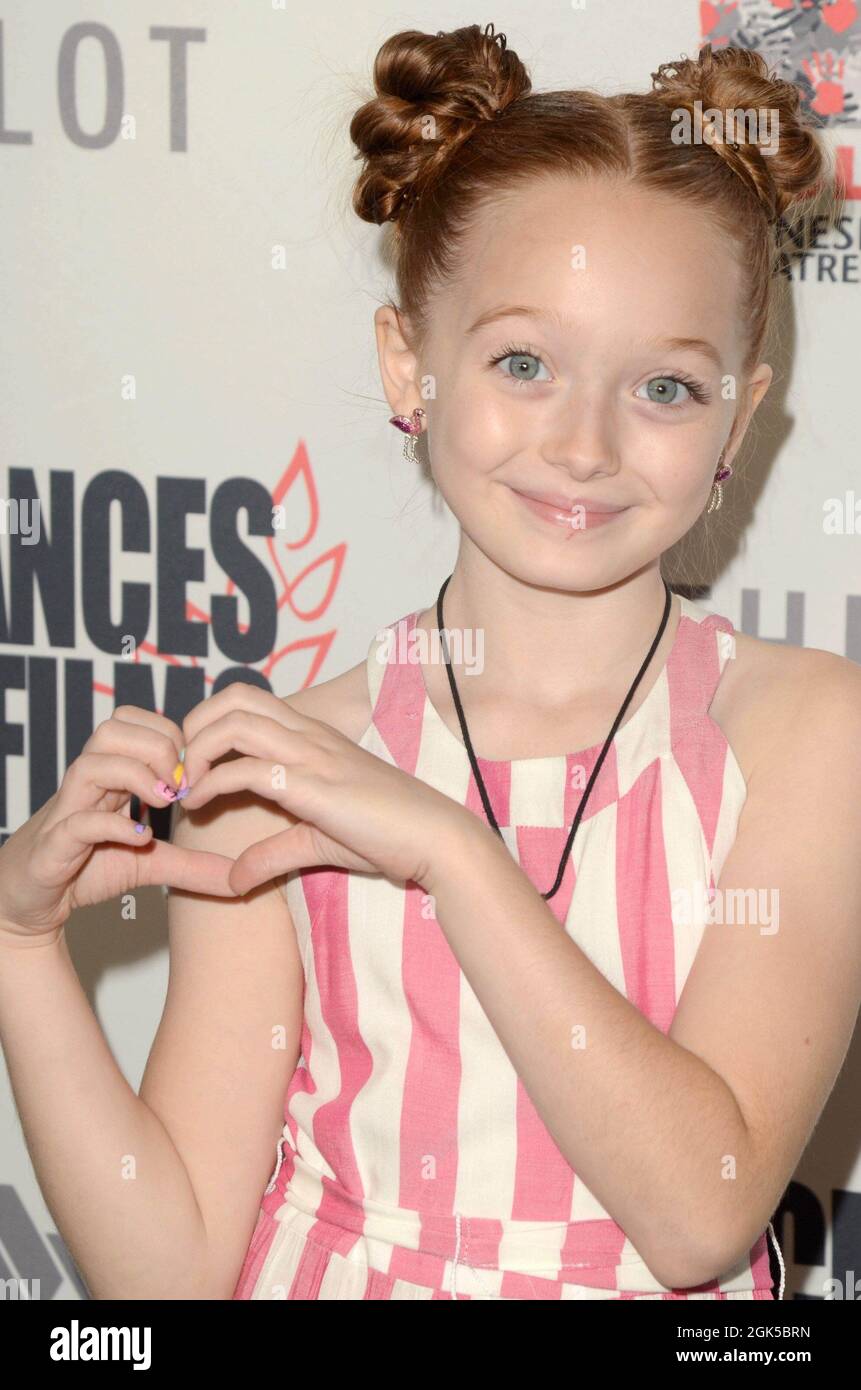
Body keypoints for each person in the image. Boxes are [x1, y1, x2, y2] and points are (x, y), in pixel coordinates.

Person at [1, 24, 859, 1303]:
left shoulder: (809, 733)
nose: (583, 444)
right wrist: (19, 946)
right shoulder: (279, 766)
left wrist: (448, 846)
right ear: (411, 365)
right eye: (524, 363)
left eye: (666, 389)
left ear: (740, 416)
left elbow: (697, 1216)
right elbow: (163, 1275)